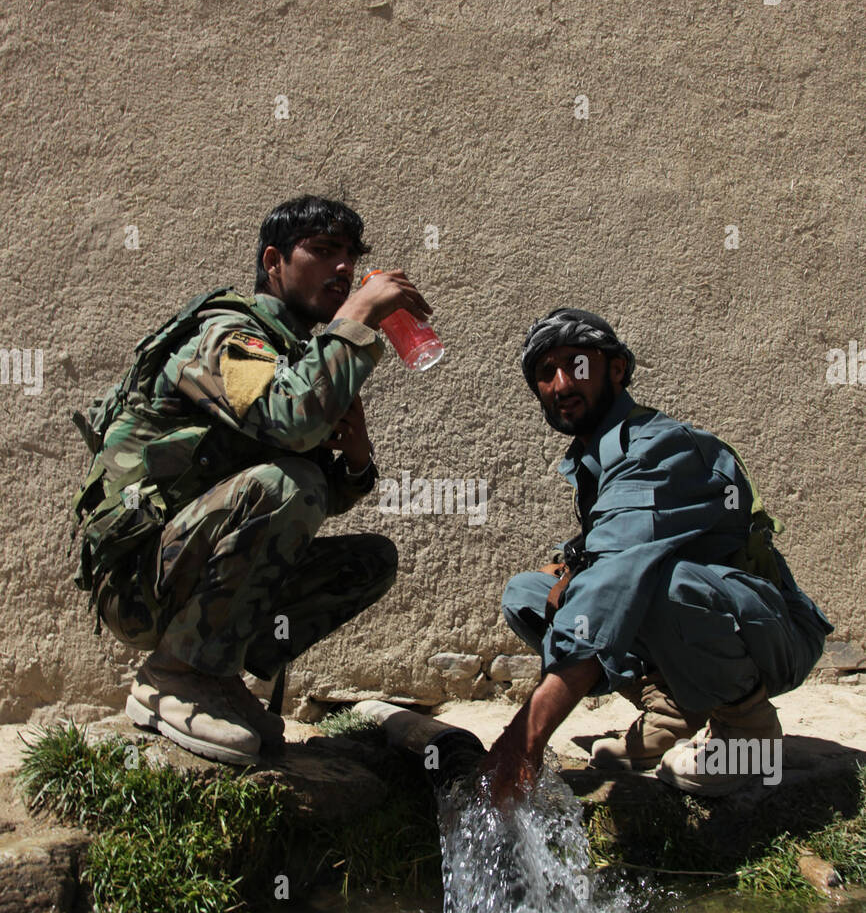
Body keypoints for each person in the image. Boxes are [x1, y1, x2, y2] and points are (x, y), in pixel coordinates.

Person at [73, 195, 431, 764]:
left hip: (186, 559)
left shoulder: (296, 351)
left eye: (351, 256)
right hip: (139, 577)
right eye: (323, 250)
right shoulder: (227, 336)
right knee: (290, 484)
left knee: (369, 562)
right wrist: (358, 317)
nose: (344, 268)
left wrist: (358, 462)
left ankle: (216, 672)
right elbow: (290, 432)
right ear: (274, 262)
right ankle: (173, 676)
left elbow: (313, 496)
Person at [486, 307, 832, 806]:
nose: (561, 384)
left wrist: (522, 745)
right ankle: (670, 712)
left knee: (648, 583)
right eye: (546, 373)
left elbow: (612, 583)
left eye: (576, 366)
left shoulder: (659, 449)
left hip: (768, 636)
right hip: (712, 623)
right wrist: (572, 565)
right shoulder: (595, 456)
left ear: (617, 369)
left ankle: (747, 729)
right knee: (531, 593)